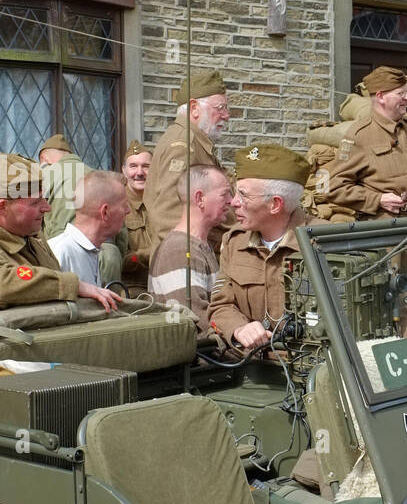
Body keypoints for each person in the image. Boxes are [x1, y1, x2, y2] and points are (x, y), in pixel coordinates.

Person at [0, 151, 120, 311]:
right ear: (2, 207)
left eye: (44, 198)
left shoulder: (29, 235)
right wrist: (73, 285)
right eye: (36, 202)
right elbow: (1, 284)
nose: (47, 207)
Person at [207, 144, 311, 349]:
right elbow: (220, 305)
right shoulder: (235, 241)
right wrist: (239, 328)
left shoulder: (320, 243)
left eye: (243, 195)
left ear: (275, 204)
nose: (234, 202)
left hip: (308, 366)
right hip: (251, 364)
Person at [323, 66, 407, 221]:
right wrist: (377, 200)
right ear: (380, 96)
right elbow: (334, 187)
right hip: (386, 234)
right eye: (400, 93)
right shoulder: (360, 135)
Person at [142, 70, 230, 247]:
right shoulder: (183, 145)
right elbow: (169, 215)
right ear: (194, 108)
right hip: (183, 263)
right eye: (220, 108)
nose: (226, 115)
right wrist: (193, 257)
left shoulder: (193, 141)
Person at [149, 164, 233, 331]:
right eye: (224, 194)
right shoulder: (179, 251)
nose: (231, 200)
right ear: (200, 198)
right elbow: (196, 321)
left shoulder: (198, 245)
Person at [48, 171, 130, 286]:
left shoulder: (91, 251)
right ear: (105, 212)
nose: (128, 211)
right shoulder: (59, 252)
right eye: (124, 205)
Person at [120, 140, 155, 293]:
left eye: (146, 166)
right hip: (132, 288)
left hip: (165, 282)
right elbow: (118, 259)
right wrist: (155, 252)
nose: (140, 172)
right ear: (124, 170)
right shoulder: (117, 204)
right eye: (133, 166)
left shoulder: (163, 203)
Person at [37, 134, 89, 237]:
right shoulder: (99, 175)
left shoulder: (45, 174)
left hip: (60, 244)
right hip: (103, 246)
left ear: (44, 158)